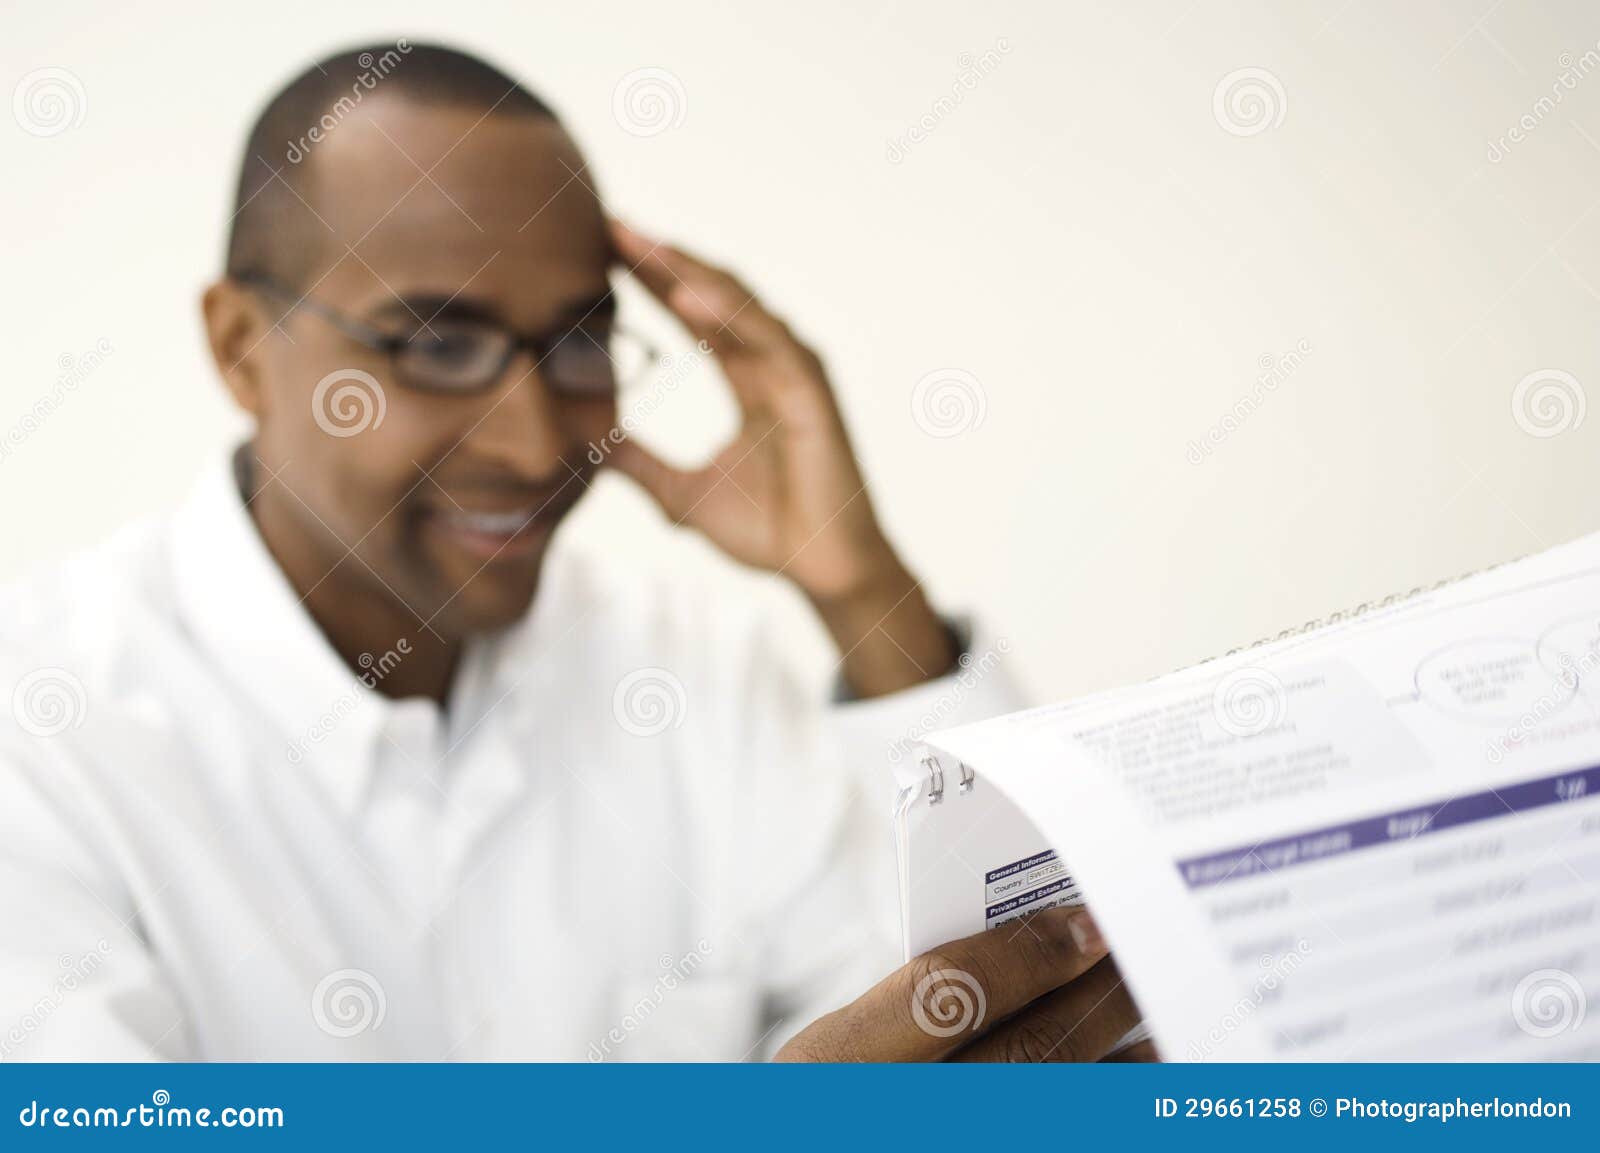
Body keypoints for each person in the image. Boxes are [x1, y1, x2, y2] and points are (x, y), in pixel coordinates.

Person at [0, 43, 1146, 1061]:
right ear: (242, 346)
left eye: (580, 340)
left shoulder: (698, 675)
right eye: (438, 342)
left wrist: (860, 590)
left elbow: (1058, 1024)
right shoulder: (39, 737)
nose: (538, 438)